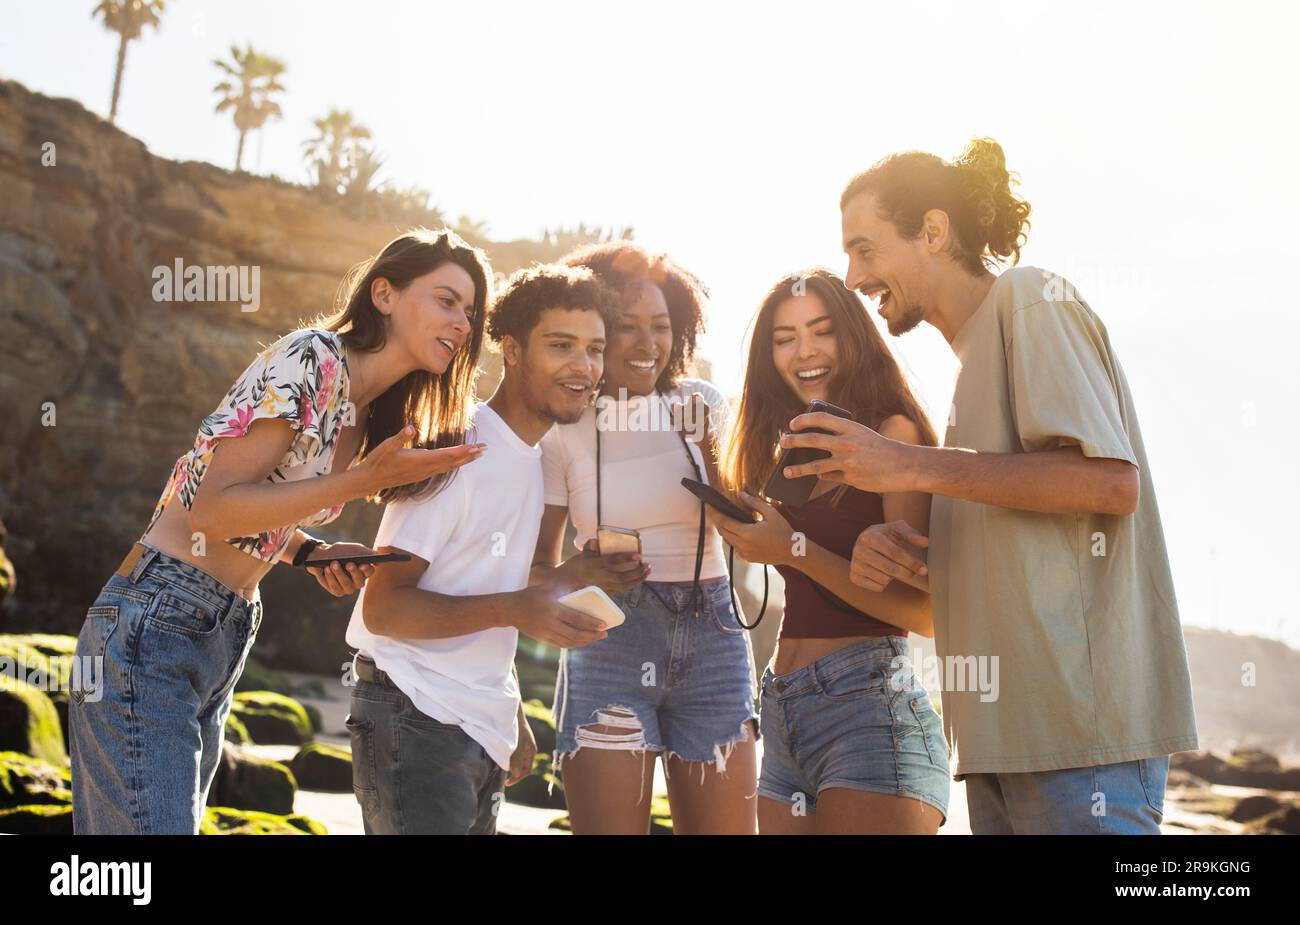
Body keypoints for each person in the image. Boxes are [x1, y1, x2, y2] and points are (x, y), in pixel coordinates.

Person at [779, 138, 1199, 834]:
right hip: (1000, 750)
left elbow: (1110, 484)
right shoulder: (967, 369)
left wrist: (908, 465)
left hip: (1077, 746)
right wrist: (909, 555)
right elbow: (984, 583)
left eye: (866, 248)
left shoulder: (1028, 299)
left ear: (934, 231)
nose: (852, 276)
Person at [69, 228, 494, 834]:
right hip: (158, 618)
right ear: (384, 294)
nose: (462, 324)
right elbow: (210, 510)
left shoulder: (372, 410)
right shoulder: (311, 357)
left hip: (225, 630)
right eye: (447, 300)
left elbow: (260, 508)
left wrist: (310, 552)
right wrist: (359, 481)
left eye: (471, 313)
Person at [346, 263, 622, 834]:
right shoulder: (457, 449)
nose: (584, 366)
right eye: (562, 346)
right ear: (513, 350)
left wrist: (509, 709)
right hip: (415, 714)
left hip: (474, 721)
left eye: (595, 349)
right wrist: (516, 611)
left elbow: (482, 586)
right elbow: (384, 607)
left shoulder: (531, 459)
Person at [710, 268, 948, 834]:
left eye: (821, 331)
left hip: (868, 707)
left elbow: (927, 613)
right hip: (784, 705)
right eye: (784, 338)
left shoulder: (894, 435)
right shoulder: (787, 448)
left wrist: (790, 549)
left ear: (853, 336)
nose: (804, 352)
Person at [532, 242, 759, 835]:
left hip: (714, 635)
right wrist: (577, 575)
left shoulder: (701, 407)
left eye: (661, 326)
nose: (647, 344)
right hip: (609, 637)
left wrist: (734, 488)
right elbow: (534, 571)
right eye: (625, 327)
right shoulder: (564, 429)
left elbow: (754, 515)